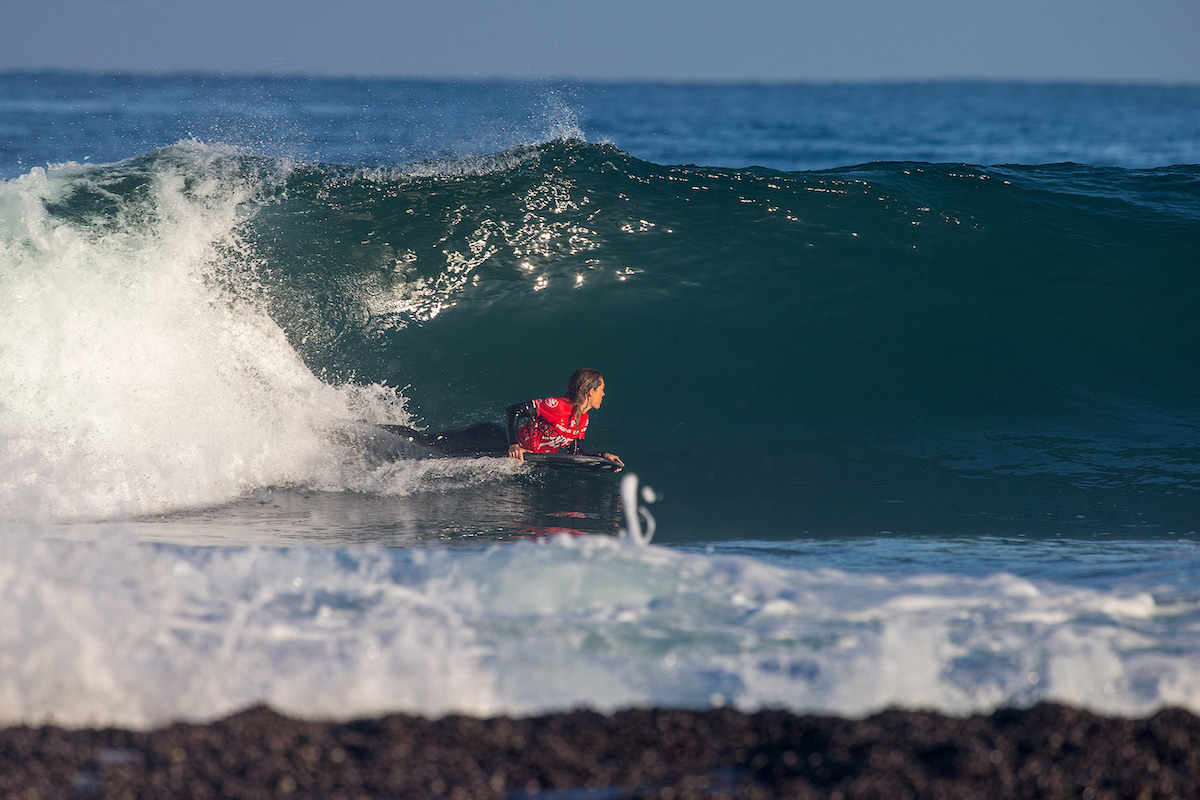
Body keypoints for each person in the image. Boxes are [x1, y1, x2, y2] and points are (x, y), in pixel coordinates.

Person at [507, 368, 624, 470]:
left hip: (530, 458)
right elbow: (514, 410)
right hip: (505, 447)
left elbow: (574, 454)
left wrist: (603, 456)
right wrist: (514, 445)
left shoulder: (583, 418)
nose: (603, 394)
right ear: (591, 392)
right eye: (602, 389)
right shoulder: (557, 406)